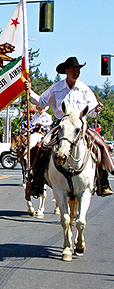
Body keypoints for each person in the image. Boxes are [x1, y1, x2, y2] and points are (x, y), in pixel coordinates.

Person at [26, 56, 113, 197]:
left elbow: (91, 112)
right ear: (66, 71)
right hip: (62, 125)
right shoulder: (56, 88)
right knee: (42, 147)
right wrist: (29, 91)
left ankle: (103, 181)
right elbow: (41, 102)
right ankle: (37, 180)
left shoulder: (84, 89)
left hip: (80, 125)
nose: (76, 72)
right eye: (73, 69)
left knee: (101, 146)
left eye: (78, 70)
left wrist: (96, 110)